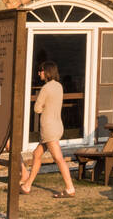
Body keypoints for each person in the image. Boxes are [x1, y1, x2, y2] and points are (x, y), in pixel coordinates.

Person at [20, 62, 76, 198]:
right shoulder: (59, 86)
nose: (39, 73)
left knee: (58, 158)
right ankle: (27, 186)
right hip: (58, 125)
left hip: (49, 128)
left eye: (41, 71)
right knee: (36, 154)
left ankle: (70, 188)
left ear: (47, 72)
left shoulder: (45, 88)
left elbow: (37, 108)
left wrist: (44, 106)